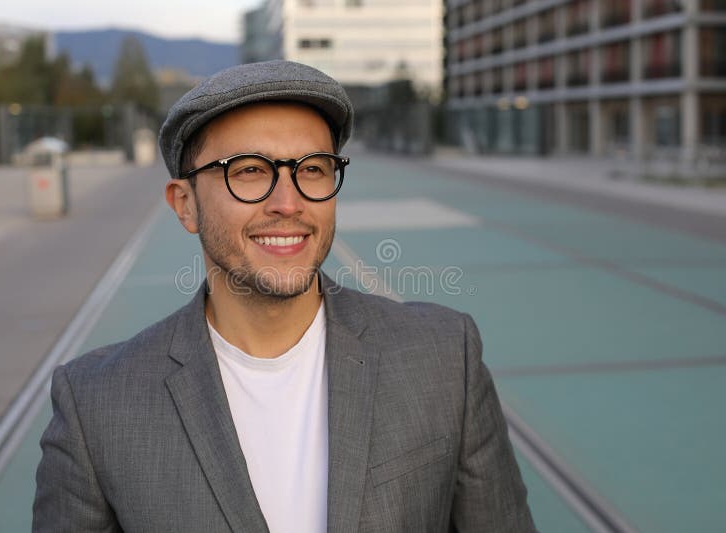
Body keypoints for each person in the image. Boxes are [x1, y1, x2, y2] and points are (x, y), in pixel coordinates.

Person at [33, 60, 537, 533]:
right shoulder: (96, 407)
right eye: (249, 170)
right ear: (185, 204)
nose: (289, 203)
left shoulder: (445, 358)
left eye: (312, 168)